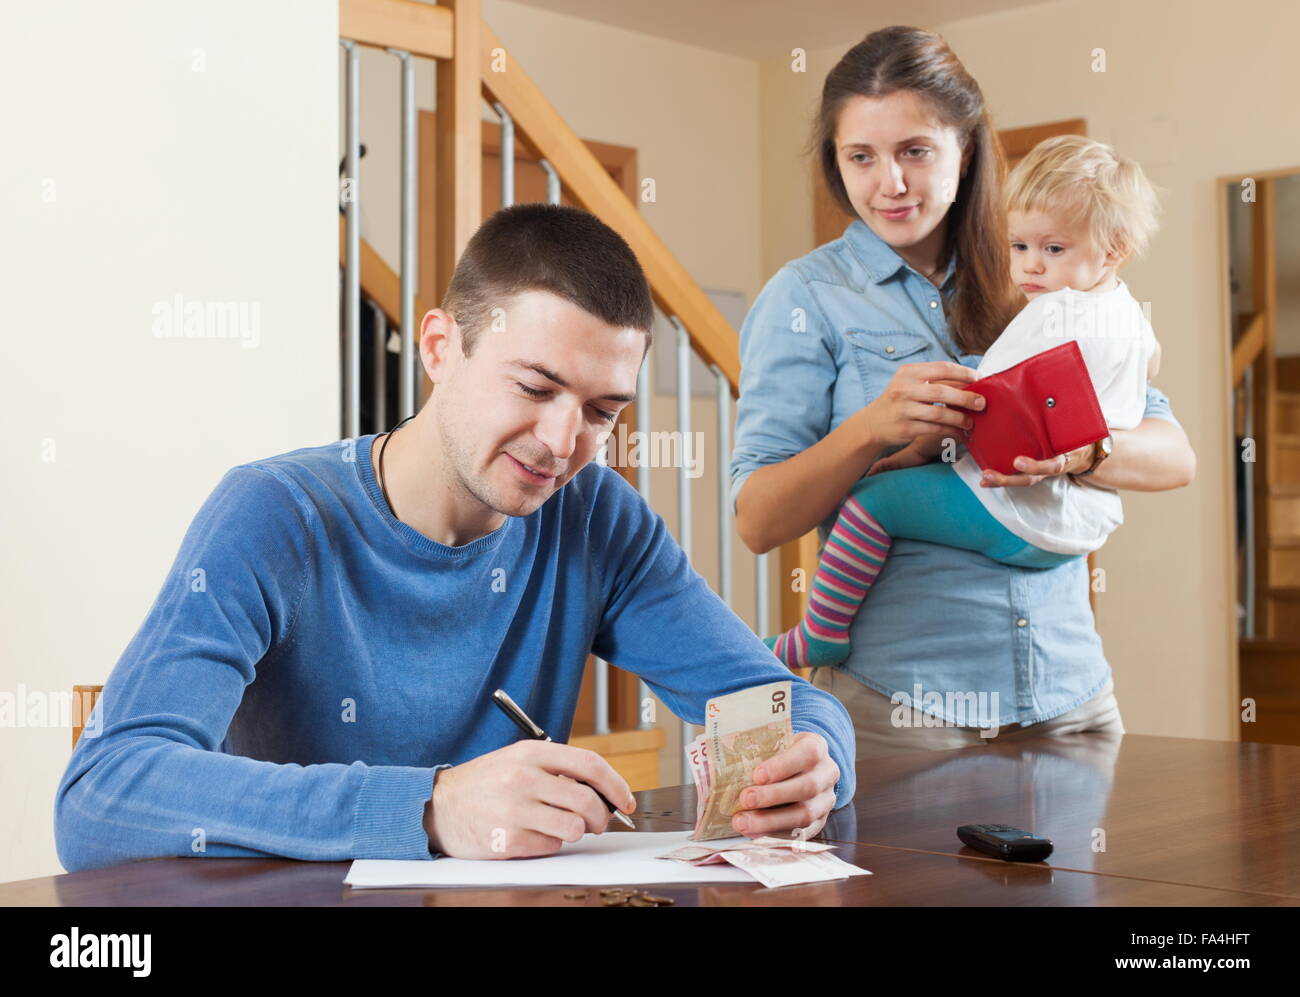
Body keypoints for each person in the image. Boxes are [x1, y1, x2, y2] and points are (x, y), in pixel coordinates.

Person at [55, 203, 854, 871]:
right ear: (441, 348)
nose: (560, 440)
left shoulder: (598, 518)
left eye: (603, 411)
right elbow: (103, 796)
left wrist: (817, 758)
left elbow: (795, 704)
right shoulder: (272, 514)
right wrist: (432, 804)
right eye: (535, 386)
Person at [730, 27, 1195, 760]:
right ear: (836, 164)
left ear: (966, 149)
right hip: (903, 713)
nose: (891, 183)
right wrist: (870, 430)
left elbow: (1172, 455)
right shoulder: (806, 297)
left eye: (915, 150)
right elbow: (757, 520)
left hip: (1071, 697)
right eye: (861, 157)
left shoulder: (1044, 274)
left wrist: (1079, 451)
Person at [765, 135, 1165, 669]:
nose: (1029, 268)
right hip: (1080, 530)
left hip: (1017, 513)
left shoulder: (1053, 316)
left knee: (869, 503)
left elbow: (970, 405)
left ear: (1113, 250)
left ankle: (822, 631)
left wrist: (911, 453)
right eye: (1019, 246)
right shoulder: (1129, 314)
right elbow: (1150, 367)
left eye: (1053, 249)